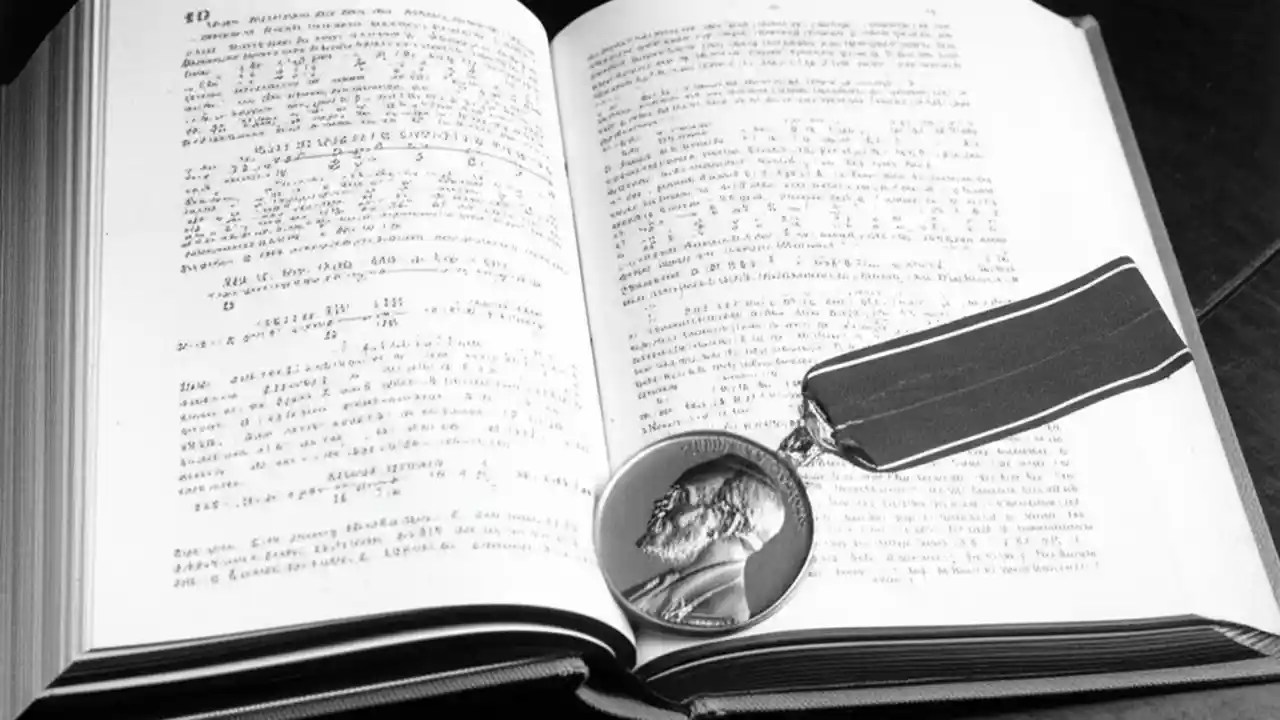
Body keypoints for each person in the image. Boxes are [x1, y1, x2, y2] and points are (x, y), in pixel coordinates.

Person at [624, 453, 787, 627]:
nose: (662, 506)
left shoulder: (724, 615)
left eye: (682, 498)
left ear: (728, 521)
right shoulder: (664, 585)